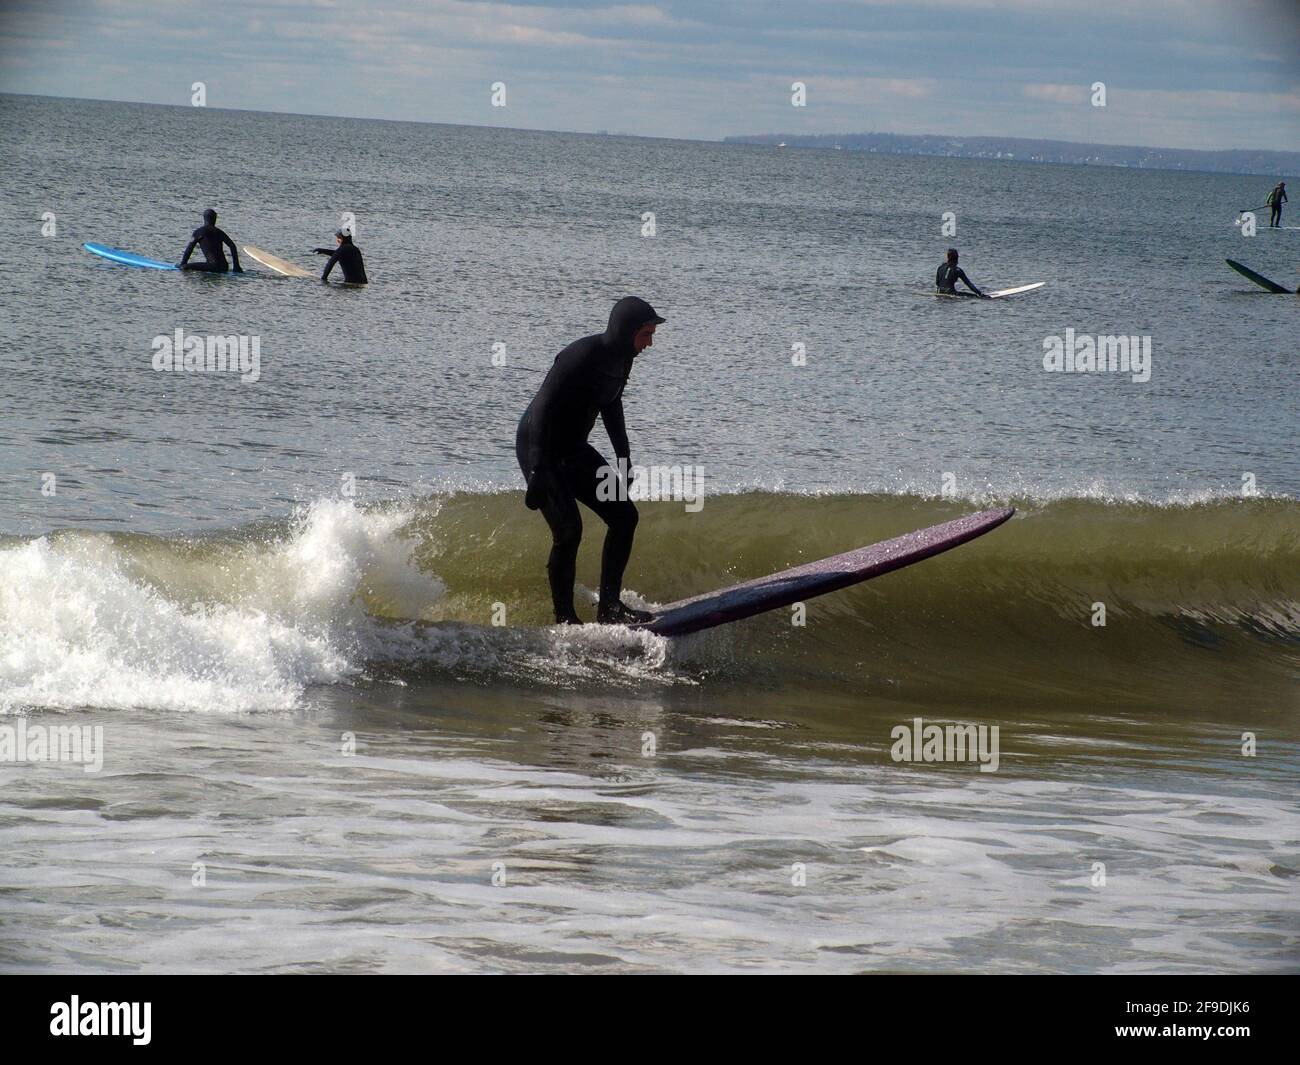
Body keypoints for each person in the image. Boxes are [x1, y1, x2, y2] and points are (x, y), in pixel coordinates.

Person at [516, 296, 665, 625]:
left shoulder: (623, 360)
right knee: (569, 530)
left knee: (624, 516)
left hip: (573, 448)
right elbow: (542, 408)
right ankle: (565, 619)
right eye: (647, 335)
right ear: (627, 331)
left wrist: (624, 457)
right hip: (538, 446)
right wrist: (538, 468)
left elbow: (611, 405)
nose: (650, 343)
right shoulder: (580, 356)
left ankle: (609, 607)